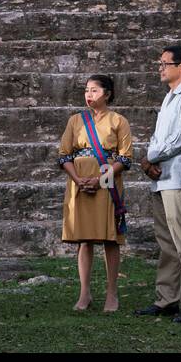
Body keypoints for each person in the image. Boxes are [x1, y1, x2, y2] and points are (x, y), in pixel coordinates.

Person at [133, 45, 181, 323]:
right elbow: (159, 136)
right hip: (162, 177)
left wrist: (150, 158)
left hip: (180, 178)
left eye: (165, 63)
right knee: (167, 243)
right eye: (160, 63)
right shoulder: (169, 97)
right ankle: (167, 299)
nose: (161, 68)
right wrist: (150, 161)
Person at [56, 74, 133, 313]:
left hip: (107, 184)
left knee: (110, 239)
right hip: (79, 184)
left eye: (94, 90)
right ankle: (84, 293)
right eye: (87, 90)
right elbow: (64, 155)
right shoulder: (75, 121)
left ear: (107, 94)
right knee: (85, 239)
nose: (89, 95)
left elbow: (125, 158)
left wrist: (100, 181)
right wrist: (78, 180)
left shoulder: (118, 121)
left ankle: (112, 293)